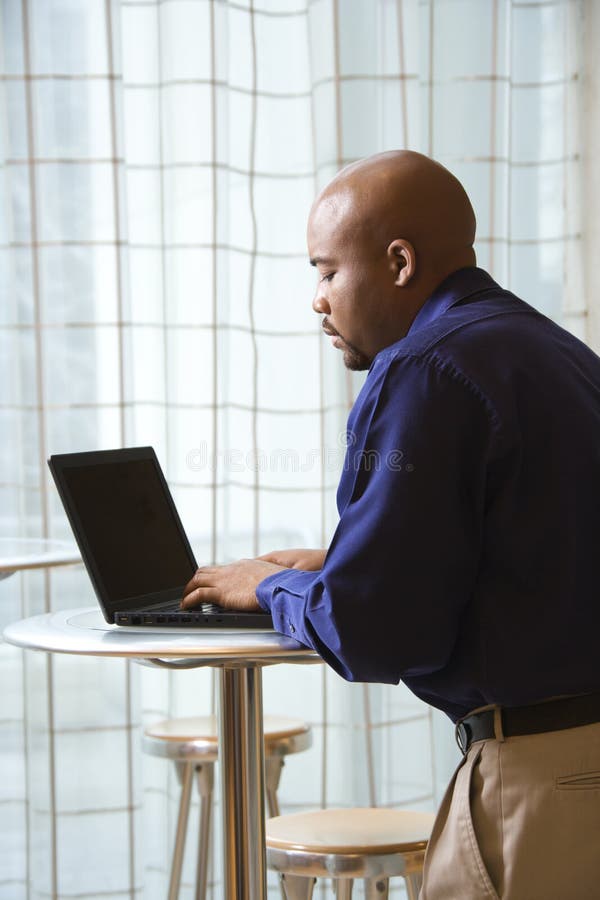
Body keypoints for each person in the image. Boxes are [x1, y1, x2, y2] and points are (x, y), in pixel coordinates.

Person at [181, 150, 600, 899]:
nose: (317, 299)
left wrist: (273, 586)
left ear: (399, 261)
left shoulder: (424, 370)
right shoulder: (556, 352)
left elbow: (375, 631)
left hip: (538, 787)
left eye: (326, 271)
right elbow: (530, 549)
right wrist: (340, 566)